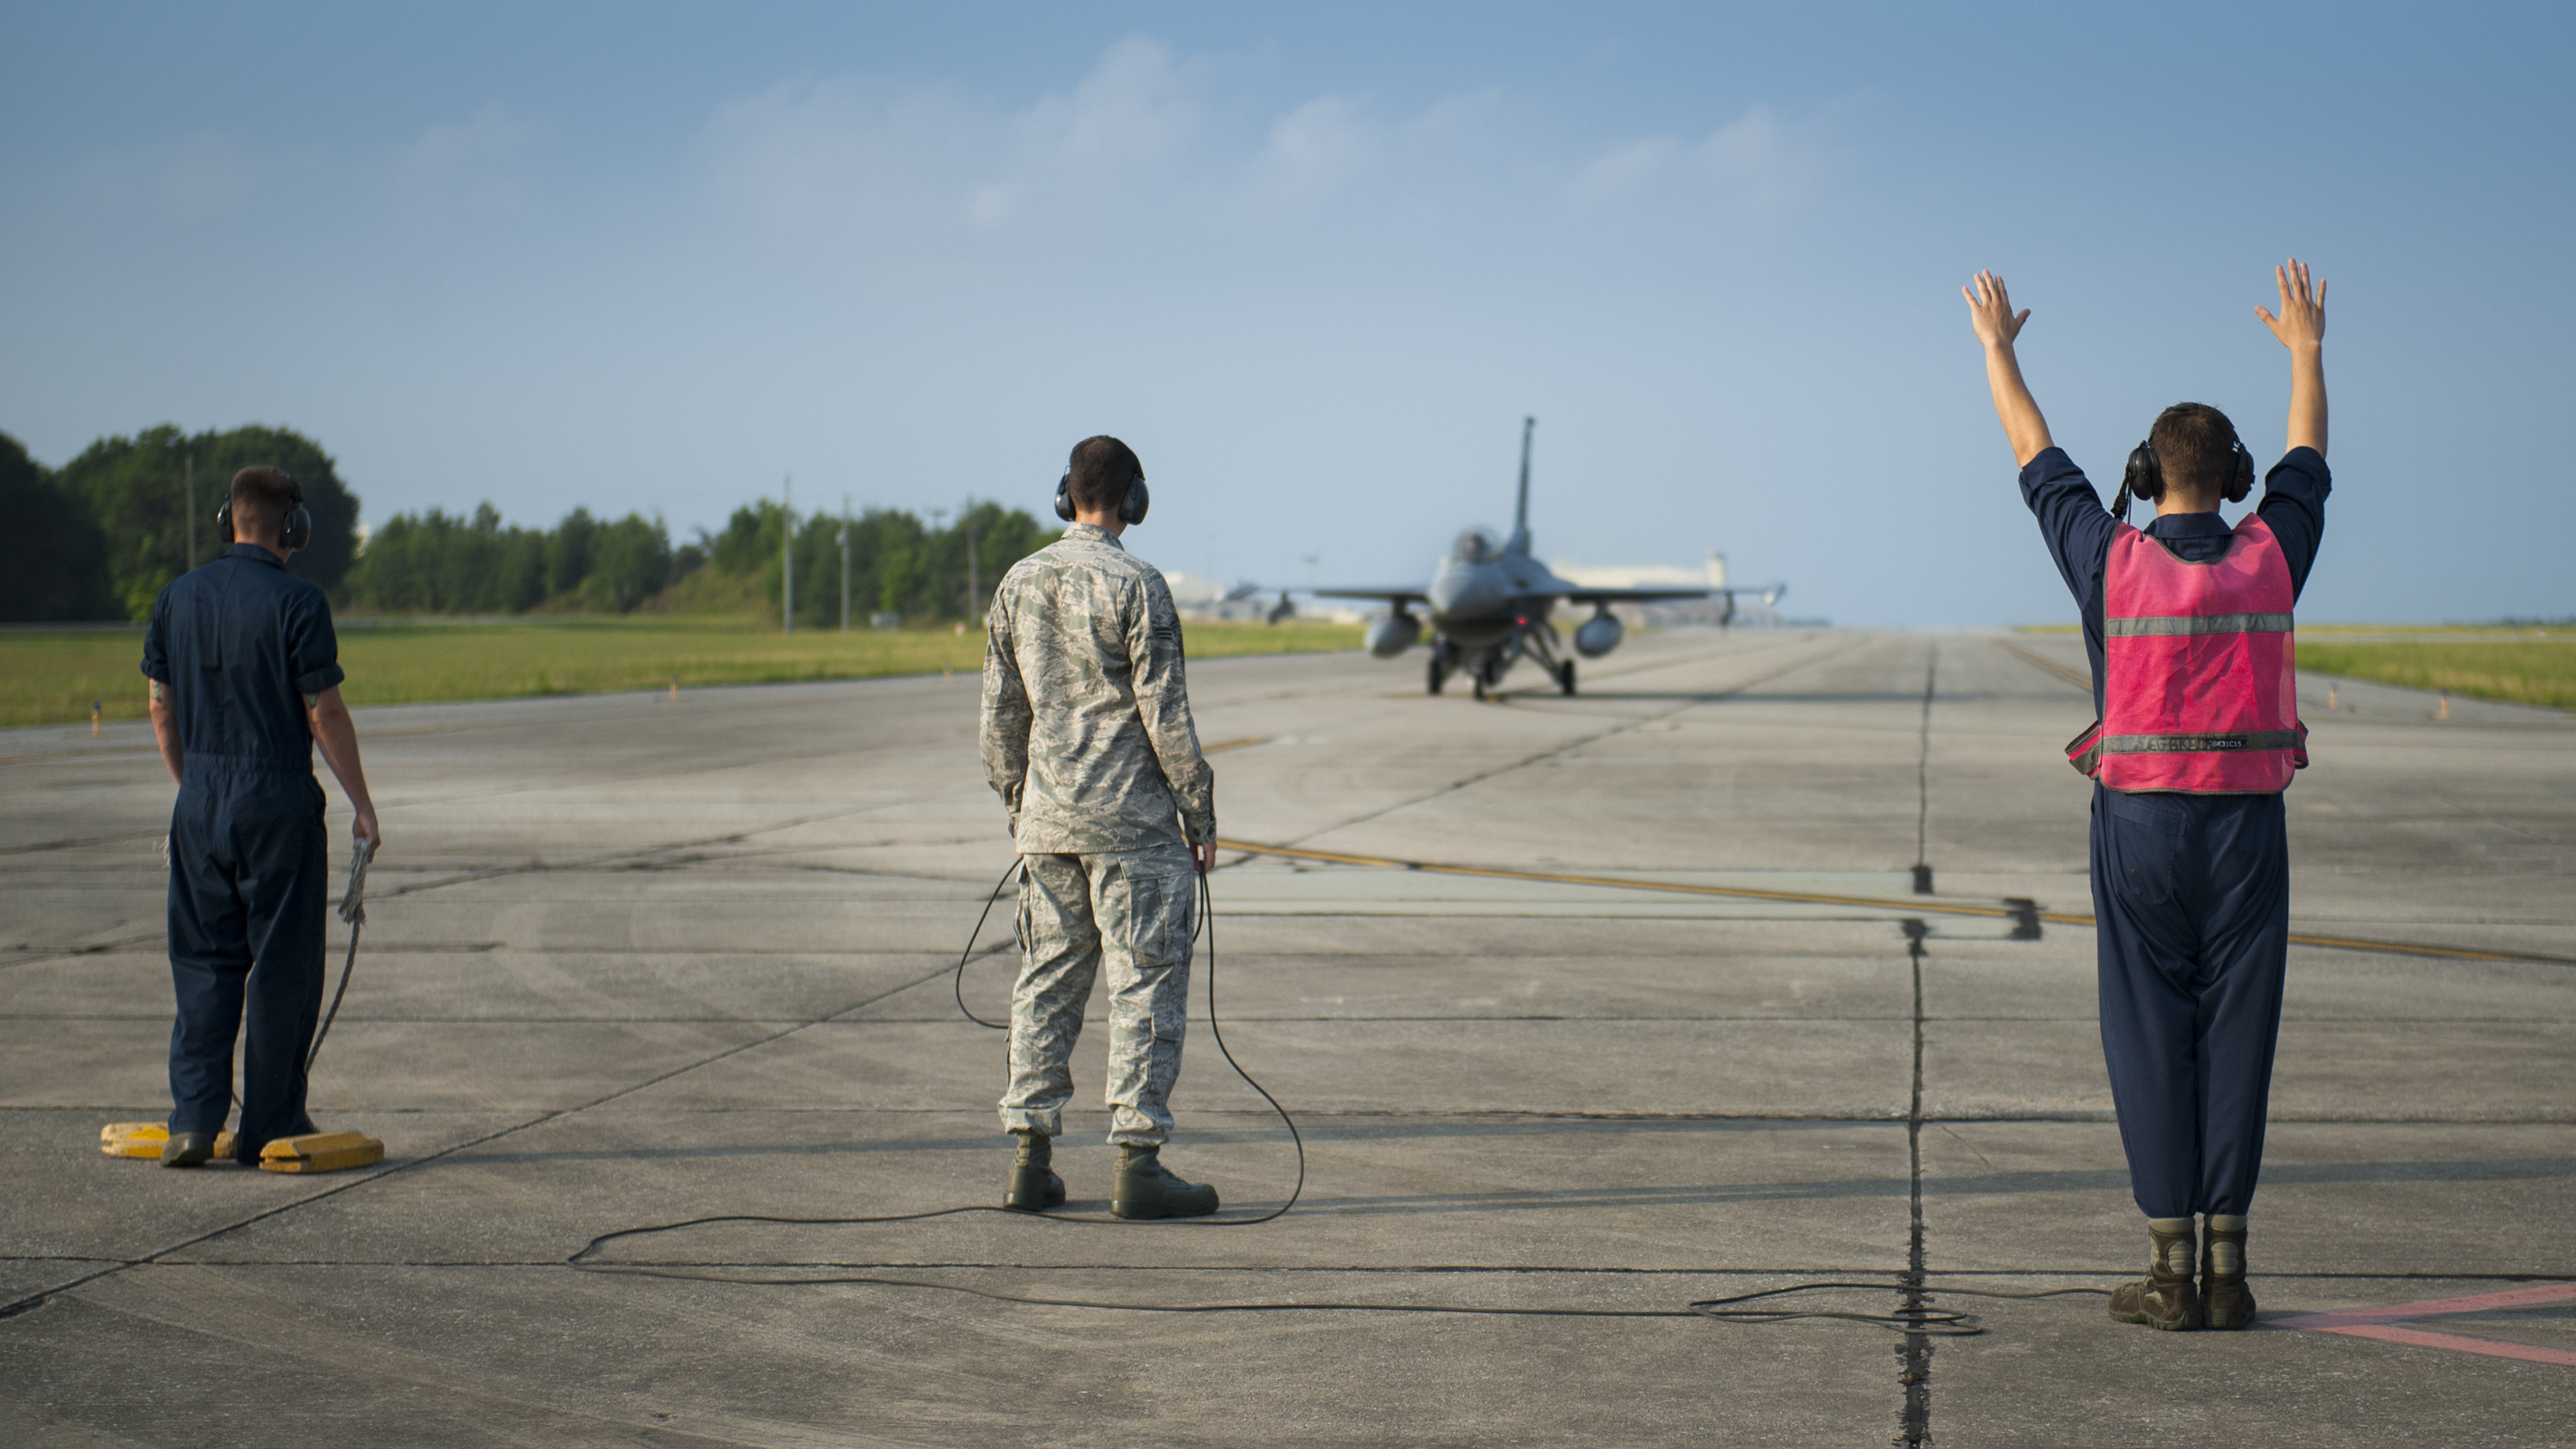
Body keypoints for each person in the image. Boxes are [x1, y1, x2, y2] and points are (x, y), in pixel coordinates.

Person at [1965, 260, 2330, 1330]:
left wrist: (2000, 349)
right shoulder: (2270, 557)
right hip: (2247, 832)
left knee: (2146, 1030)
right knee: (2239, 1034)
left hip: (2139, 831)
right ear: (2233, 477)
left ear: (2147, 471)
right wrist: (2305, 350)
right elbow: (2309, 463)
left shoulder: (2109, 560)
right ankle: (2229, 1271)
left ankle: (2169, 1273)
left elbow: (2034, 453)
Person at [980, 435, 1221, 1219]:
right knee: (1144, 985)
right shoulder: (1140, 585)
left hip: (1047, 827)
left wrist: (1023, 804)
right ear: (1133, 501)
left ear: (1065, 494)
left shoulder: (1018, 582)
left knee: (1046, 981)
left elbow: (999, 719)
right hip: (1134, 830)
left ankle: (1030, 1159)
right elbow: (1166, 715)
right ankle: (1139, 1163)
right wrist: (1199, 811)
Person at [143, 466, 383, 1167]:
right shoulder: (300, 601)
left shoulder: (175, 597)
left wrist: (194, 789)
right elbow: (324, 710)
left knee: (202, 963)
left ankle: (193, 1119)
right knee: (282, 967)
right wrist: (362, 804)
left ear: (229, 520)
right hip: (276, 802)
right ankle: (270, 1123)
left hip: (200, 801)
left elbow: (161, 704)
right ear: (292, 529)